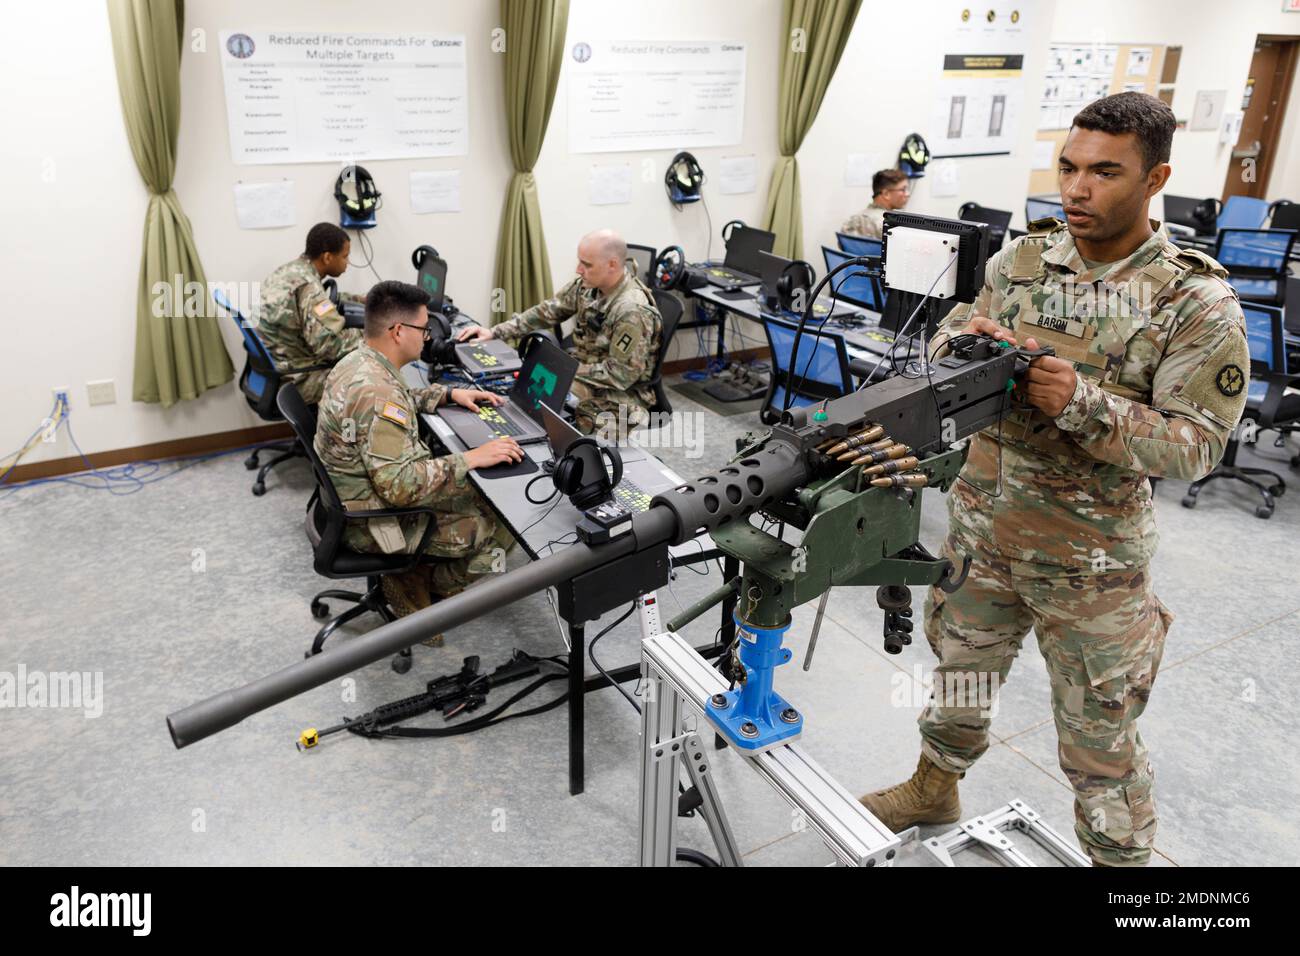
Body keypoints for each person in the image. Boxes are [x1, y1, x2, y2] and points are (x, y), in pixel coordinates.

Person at [858, 92, 1249, 866]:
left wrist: (1083, 403)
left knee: (1099, 738)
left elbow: (1195, 448)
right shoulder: (1023, 261)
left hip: (1092, 564)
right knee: (959, 678)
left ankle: (1120, 868)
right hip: (984, 530)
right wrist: (963, 340)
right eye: (1069, 167)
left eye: (1104, 172)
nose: (1077, 188)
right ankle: (936, 785)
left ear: (1155, 178)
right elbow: (948, 334)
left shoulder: (1193, 302)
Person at [315, 280, 524, 620]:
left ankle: (416, 576)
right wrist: (470, 458)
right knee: (503, 519)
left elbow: (394, 404)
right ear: (398, 331)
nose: (427, 337)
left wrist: (448, 395)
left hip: (349, 499)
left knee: (481, 490)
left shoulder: (359, 362)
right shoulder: (377, 392)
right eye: (424, 329)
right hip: (374, 521)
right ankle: (423, 582)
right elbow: (399, 487)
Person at [456, 230, 662, 436]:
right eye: (580, 262)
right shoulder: (587, 286)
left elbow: (621, 375)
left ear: (613, 265)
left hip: (622, 393)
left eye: (587, 265)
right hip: (587, 371)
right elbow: (547, 311)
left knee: (543, 394)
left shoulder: (632, 311)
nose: (579, 270)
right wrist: (495, 332)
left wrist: (566, 372)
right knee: (529, 384)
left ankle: (556, 453)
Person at [258, 223, 363, 404]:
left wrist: (359, 300)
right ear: (328, 257)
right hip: (297, 377)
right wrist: (373, 336)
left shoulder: (292, 271)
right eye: (345, 256)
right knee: (370, 380)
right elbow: (330, 345)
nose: (348, 262)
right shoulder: (309, 287)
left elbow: (312, 301)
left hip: (276, 364)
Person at [841, 169, 911, 240]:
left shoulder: (852, 221)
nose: (908, 194)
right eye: (903, 190)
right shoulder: (889, 227)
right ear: (886, 194)